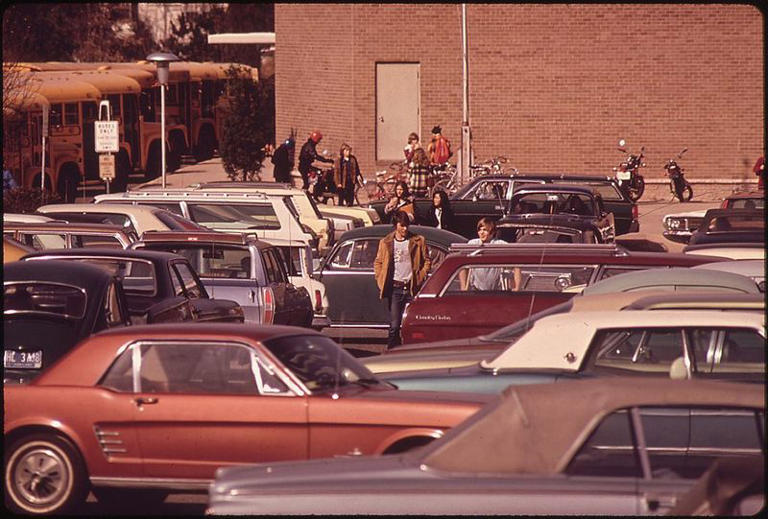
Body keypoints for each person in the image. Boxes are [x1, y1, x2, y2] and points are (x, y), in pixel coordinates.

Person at [373, 210, 431, 349]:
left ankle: (411, 349)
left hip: (411, 287)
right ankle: (392, 350)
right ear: (396, 225)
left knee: (412, 323)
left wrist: (420, 276)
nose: (405, 228)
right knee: (394, 324)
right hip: (395, 288)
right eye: (402, 225)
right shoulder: (386, 242)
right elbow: (378, 262)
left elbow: (426, 261)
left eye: (407, 225)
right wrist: (380, 279)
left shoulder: (418, 240)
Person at [460, 217, 521, 291]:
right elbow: (462, 265)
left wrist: (516, 288)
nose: (481, 232)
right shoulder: (472, 244)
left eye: (485, 230)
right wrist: (463, 287)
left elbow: (517, 262)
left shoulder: (500, 244)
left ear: (492, 232)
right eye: (480, 230)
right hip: (476, 290)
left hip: (496, 291)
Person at [404, 132, 430, 198]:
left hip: (415, 185)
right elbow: (408, 158)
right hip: (422, 188)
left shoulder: (413, 164)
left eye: (415, 139)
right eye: (413, 139)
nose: (414, 141)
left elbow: (408, 178)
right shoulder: (407, 148)